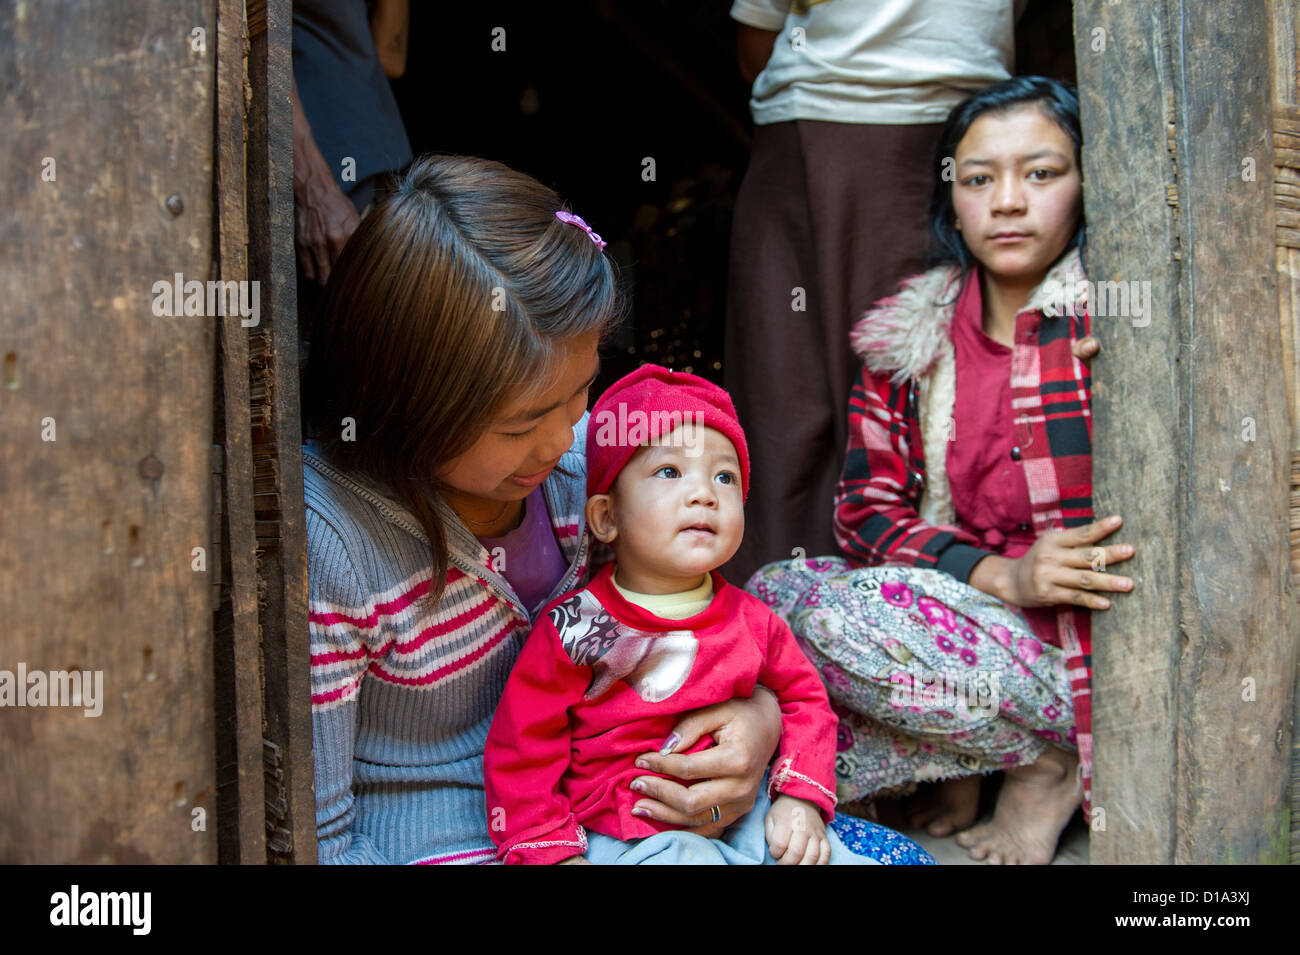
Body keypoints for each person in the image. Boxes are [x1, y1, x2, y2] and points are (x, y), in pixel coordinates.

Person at [300, 155, 917, 865]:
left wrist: (761, 720)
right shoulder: (335, 542)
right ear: (407, 405)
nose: (566, 437)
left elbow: (707, 619)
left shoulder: (592, 465)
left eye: (580, 391)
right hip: (453, 840)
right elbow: (323, 839)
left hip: (634, 812)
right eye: (519, 422)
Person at [747, 76, 1136, 865]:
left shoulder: (1116, 316)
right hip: (968, 625)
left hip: (1094, 649)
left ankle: (1051, 762)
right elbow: (864, 511)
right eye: (979, 178)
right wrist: (1005, 575)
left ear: (1088, 182)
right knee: (773, 603)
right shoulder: (913, 335)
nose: (1009, 202)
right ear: (950, 195)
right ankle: (991, 755)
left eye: (1042, 172)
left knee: (847, 618)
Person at [483, 366, 877, 865]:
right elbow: (523, 747)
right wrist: (551, 850)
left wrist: (799, 798)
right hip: (626, 830)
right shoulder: (579, 626)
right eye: (670, 472)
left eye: (725, 476)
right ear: (606, 517)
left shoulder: (755, 622)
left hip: (743, 811)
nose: (704, 493)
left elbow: (805, 700)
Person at [723, 0, 1023, 583]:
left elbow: (753, 48)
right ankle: (795, 631)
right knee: (862, 391)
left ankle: (899, 606)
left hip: (863, 120)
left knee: (804, 400)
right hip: (864, 124)